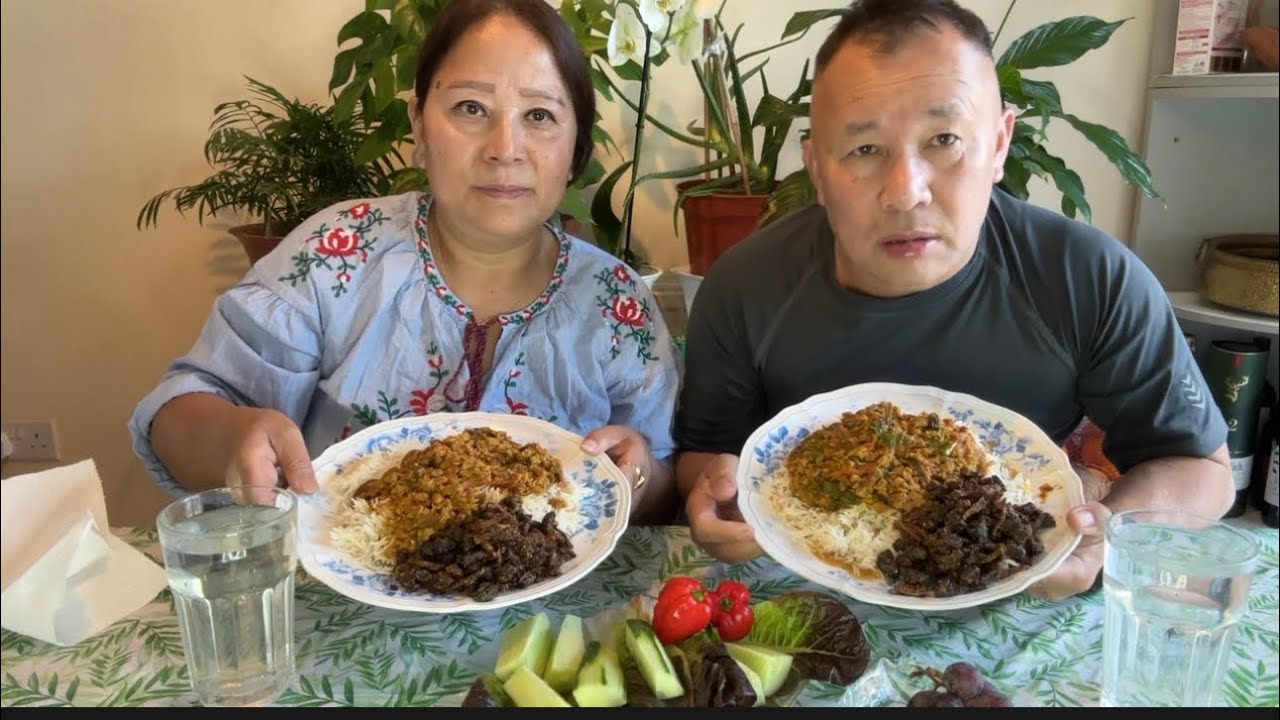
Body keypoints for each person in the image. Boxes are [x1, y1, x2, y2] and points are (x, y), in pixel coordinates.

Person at [676, 0, 1232, 598]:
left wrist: (1104, 530)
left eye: (944, 139)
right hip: (799, 591)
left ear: (998, 144)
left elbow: (1202, 469)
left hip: (1019, 593)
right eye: (864, 150)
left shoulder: (1089, 277)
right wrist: (713, 490)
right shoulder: (743, 285)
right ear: (816, 164)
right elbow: (705, 457)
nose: (905, 193)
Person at [130, 0, 680, 524]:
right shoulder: (334, 255)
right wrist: (232, 436)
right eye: (471, 108)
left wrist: (640, 476)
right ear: (418, 122)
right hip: (342, 608)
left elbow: (661, 487)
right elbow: (176, 415)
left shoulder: (618, 305)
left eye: (539, 115)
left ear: (576, 148)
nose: (505, 148)